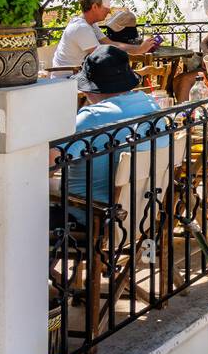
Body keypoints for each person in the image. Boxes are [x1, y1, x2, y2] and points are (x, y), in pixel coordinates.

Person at [49, 46, 170, 223]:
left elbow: (47, 165)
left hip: (90, 215)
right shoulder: (150, 105)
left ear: (90, 88)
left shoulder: (92, 117)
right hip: (139, 215)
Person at [51, 0, 159, 69]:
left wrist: (139, 48)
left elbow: (111, 44)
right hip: (68, 80)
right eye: (106, 8)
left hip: (79, 75)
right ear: (94, 7)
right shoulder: (81, 28)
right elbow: (103, 56)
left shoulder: (91, 25)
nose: (109, 11)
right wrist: (138, 50)